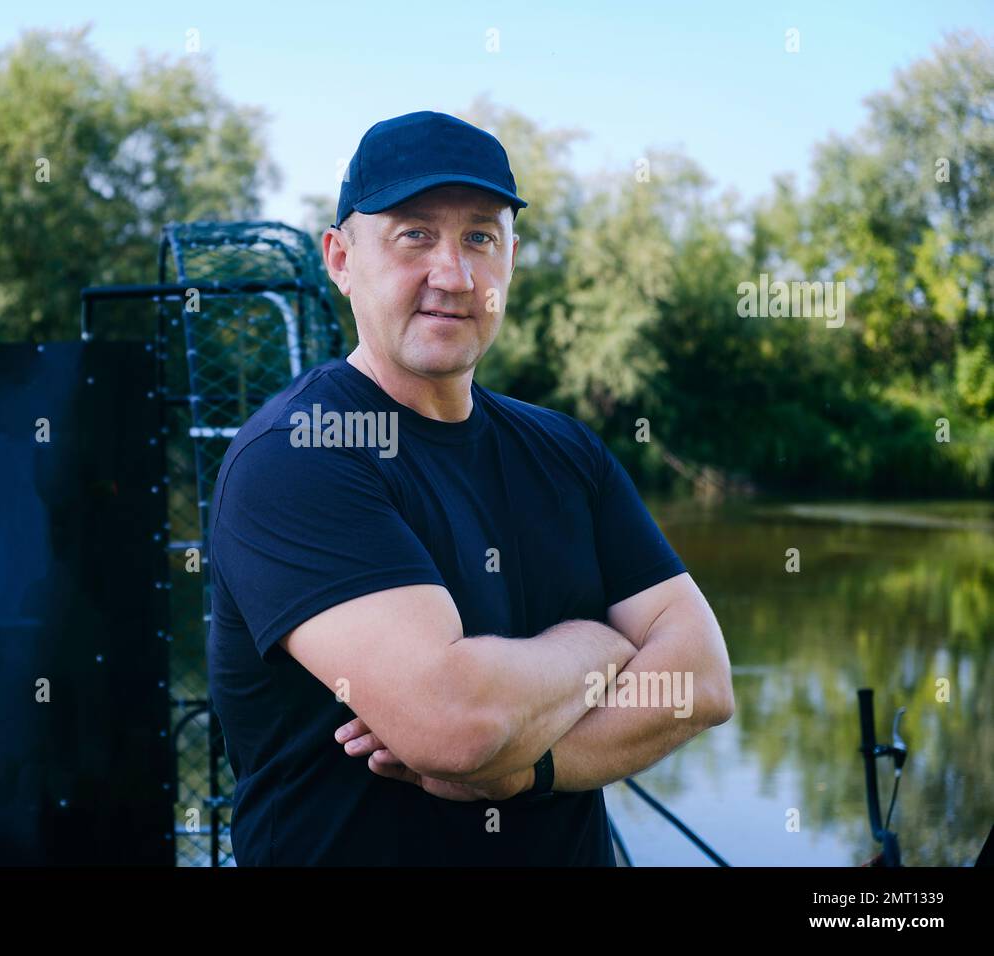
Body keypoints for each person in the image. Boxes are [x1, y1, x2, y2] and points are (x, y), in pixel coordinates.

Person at [205, 110, 734, 866]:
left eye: (480, 237)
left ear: (511, 260)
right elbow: (455, 724)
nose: (453, 275)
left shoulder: (566, 451)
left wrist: (529, 770)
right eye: (414, 234)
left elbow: (703, 681)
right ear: (341, 259)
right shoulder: (294, 457)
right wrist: (599, 645)